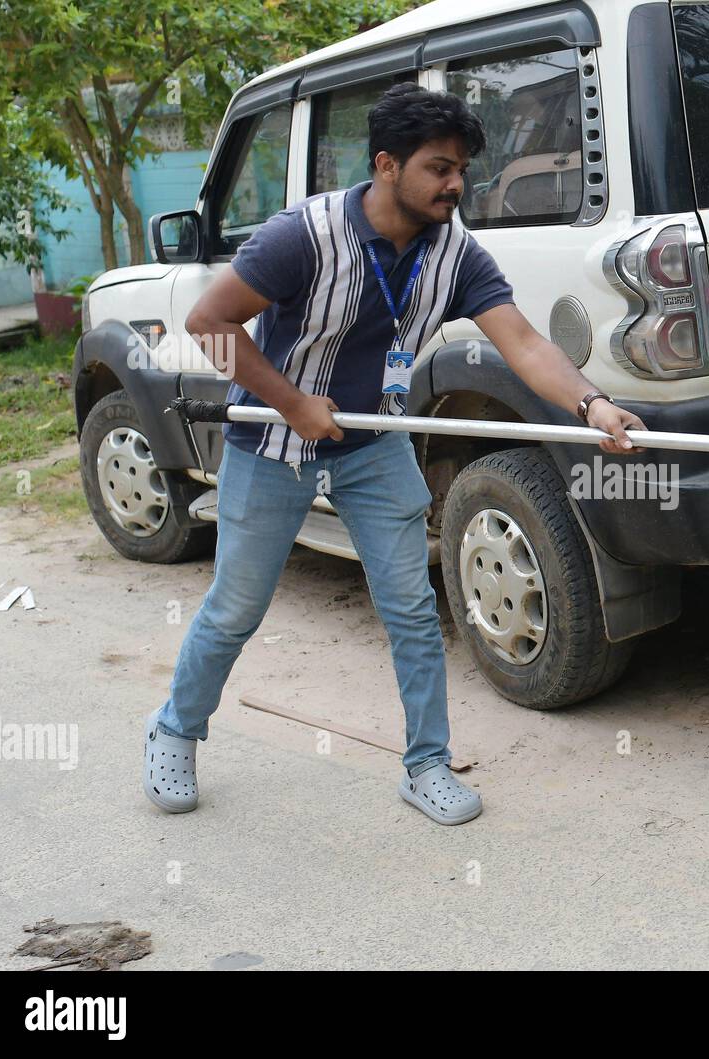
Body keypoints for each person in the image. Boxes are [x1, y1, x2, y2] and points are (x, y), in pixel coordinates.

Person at [143, 84, 646, 825]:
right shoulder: (302, 236)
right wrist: (292, 403)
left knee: (412, 608)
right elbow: (209, 323)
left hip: (374, 445)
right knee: (235, 610)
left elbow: (526, 345)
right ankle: (176, 730)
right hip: (273, 442)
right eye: (439, 168)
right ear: (385, 165)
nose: (455, 185)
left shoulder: (454, 252)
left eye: (461, 170)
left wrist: (592, 404)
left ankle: (426, 765)